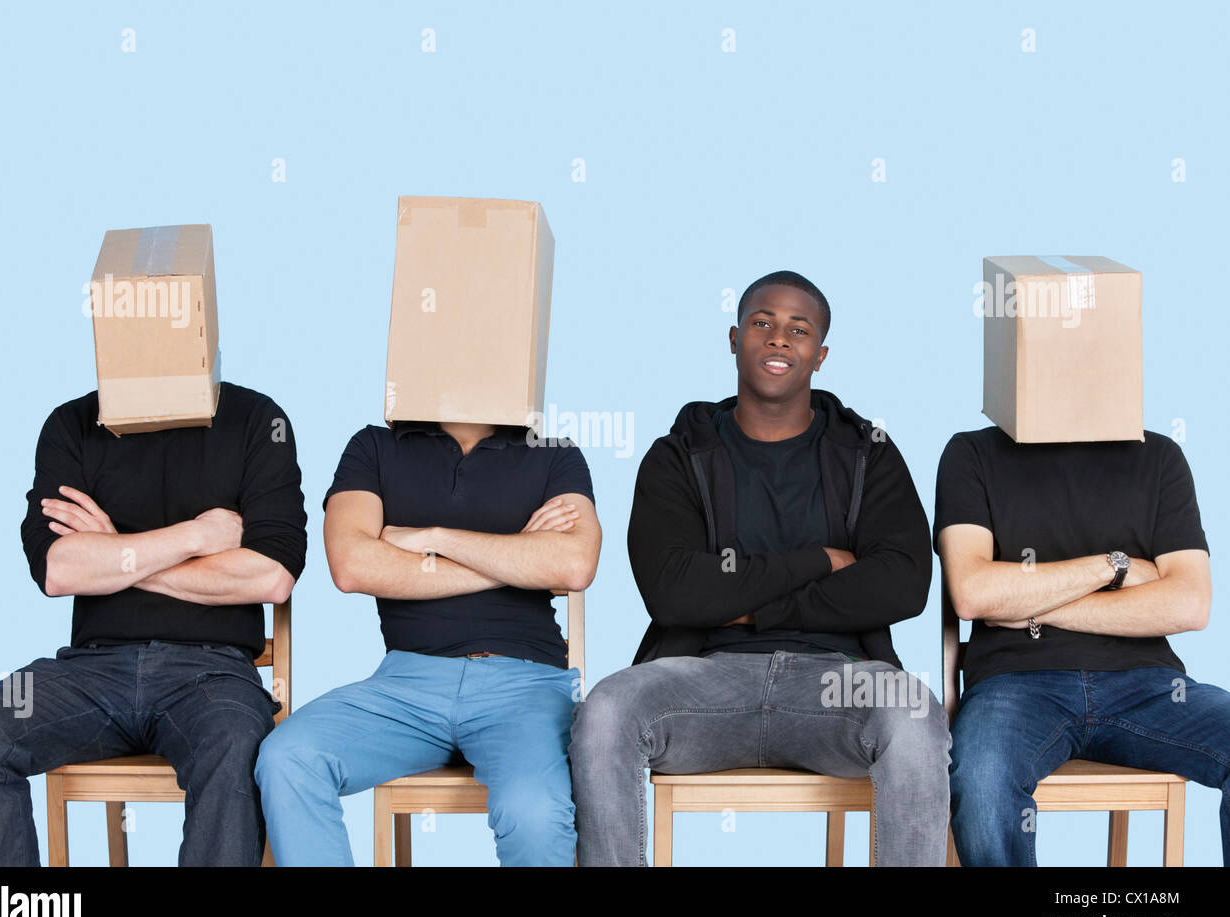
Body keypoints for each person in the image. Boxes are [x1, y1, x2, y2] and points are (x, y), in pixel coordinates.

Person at [569, 270, 950, 866]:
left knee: (915, 714)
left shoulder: (868, 451)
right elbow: (673, 593)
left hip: (839, 678)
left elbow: (904, 582)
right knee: (607, 710)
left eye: (798, 330)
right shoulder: (679, 454)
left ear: (819, 355)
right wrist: (819, 560)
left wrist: (755, 603)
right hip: (702, 679)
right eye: (762, 323)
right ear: (734, 338)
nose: (779, 339)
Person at [0, 382, 307, 866]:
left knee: (235, 745)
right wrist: (198, 536)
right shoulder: (72, 423)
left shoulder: (258, 420)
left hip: (212, 674)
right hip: (89, 673)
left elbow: (272, 577)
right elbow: (58, 570)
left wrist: (118, 552)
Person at [255, 418, 600, 866]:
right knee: (287, 758)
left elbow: (573, 564)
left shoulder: (553, 450)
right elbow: (351, 565)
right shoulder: (374, 446)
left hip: (525, 685)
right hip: (404, 686)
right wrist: (517, 554)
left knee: (534, 812)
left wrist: (431, 539)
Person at [936, 422, 1224, 865]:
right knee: (981, 782)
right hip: (1016, 685)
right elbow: (975, 594)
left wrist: (1031, 605)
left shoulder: (1160, 456)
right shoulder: (972, 452)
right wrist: (1118, 568)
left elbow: (1191, 604)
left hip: (1148, 686)